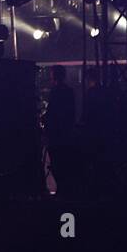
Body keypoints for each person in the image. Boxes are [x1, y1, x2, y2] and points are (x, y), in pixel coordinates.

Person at [44, 65, 78, 197]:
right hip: (66, 133)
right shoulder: (69, 91)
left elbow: (52, 113)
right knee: (65, 163)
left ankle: (61, 191)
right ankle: (66, 190)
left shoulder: (55, 91)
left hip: (56, 134)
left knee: (56, 163)